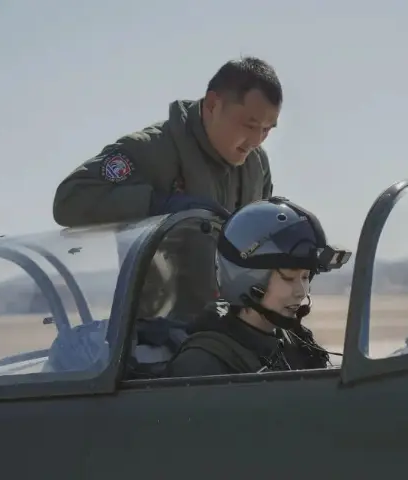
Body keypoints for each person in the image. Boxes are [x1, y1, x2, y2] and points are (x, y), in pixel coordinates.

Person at [51, 56, 283, 319]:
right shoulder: (152, 150)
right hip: (158, 334)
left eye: (266, 130)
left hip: (228, 328)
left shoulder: (257, 164)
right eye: (249, 125)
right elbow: (70, 199)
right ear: (213, 104)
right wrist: (159, 206)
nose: (256, 140)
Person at [165, 196, 352, 378]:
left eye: (305, 277)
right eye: (288, 277)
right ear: (247, 280)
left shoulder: (297, 344)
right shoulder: (203, 364)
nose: (301, 291)